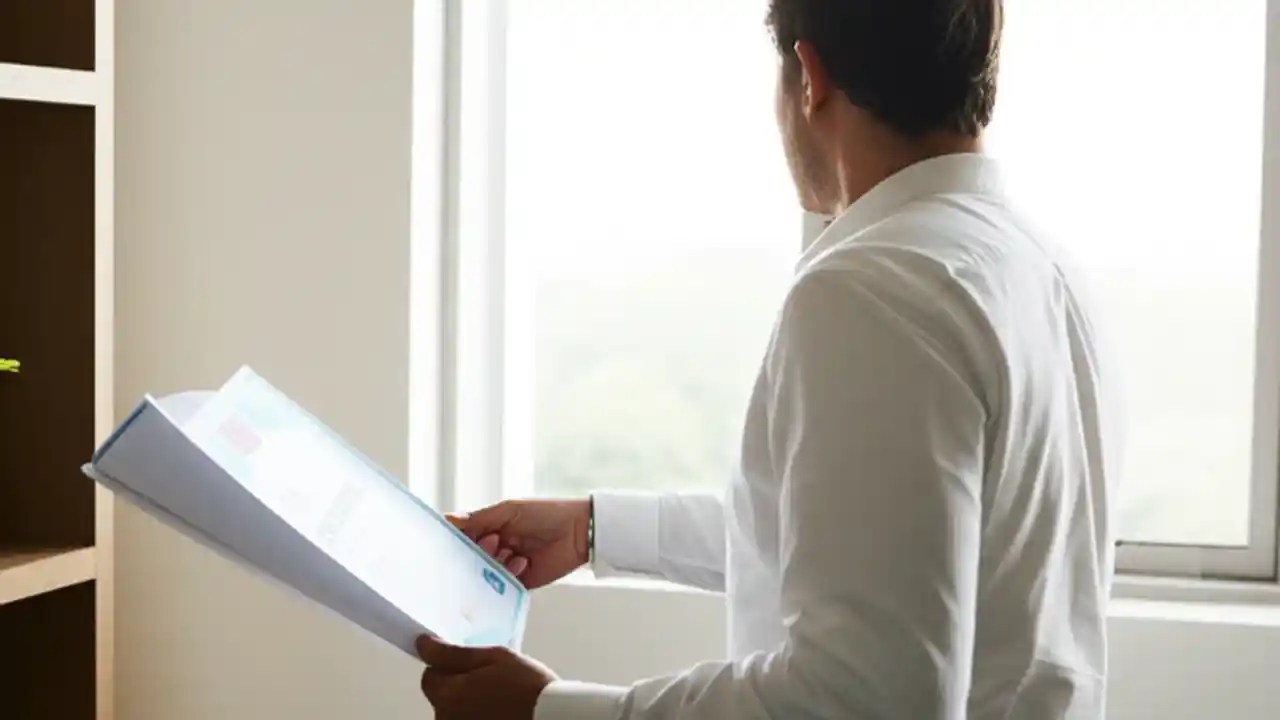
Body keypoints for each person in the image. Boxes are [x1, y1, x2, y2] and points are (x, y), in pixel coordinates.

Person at [416, 0, 1123, 718]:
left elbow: (865, 698)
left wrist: (551, 711)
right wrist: (591, 529)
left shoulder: (874, 289)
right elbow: (872, 549)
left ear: (808, 76)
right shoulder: (1043, 272)